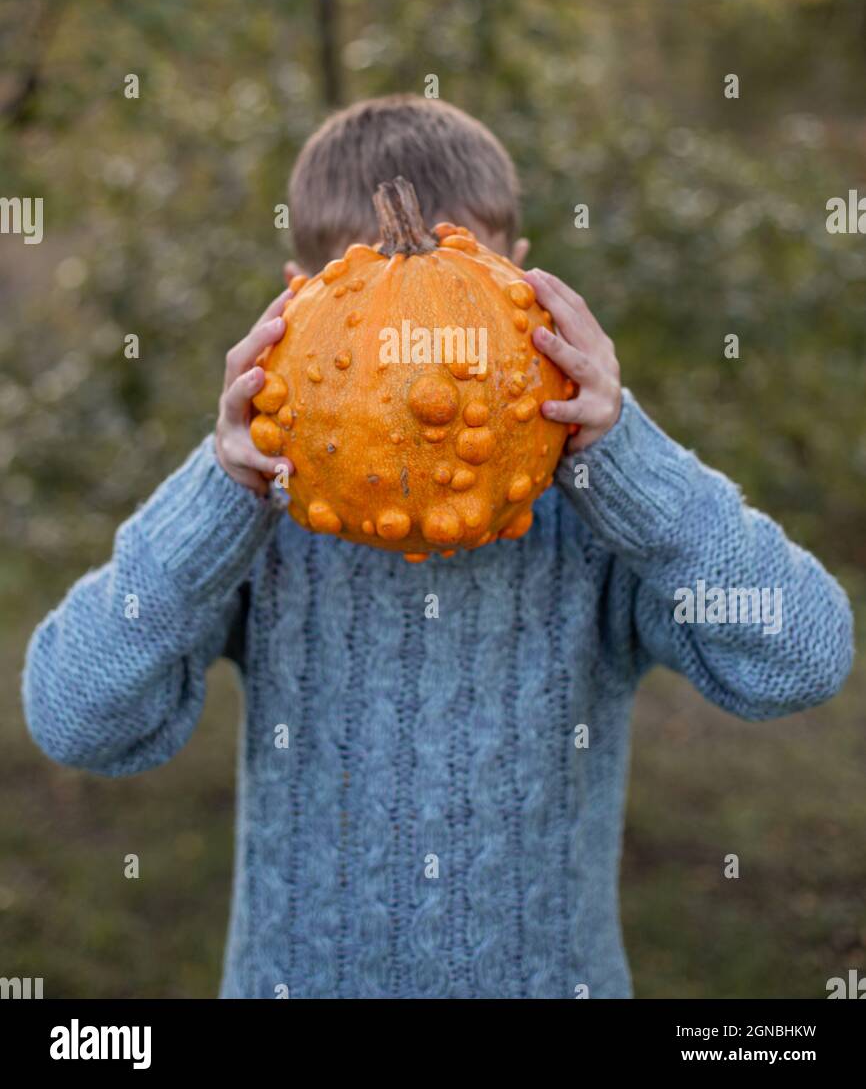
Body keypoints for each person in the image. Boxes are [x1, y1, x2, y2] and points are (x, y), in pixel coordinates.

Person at [22, 94, 854, 999]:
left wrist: (628, 460)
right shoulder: (254, 518)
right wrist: (220, 495)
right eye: (369, 304)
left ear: (522, 283)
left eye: (459, 296)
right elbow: (76, 716)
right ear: (297, 301)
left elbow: (802, 656)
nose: (419, 368)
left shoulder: (601, 516)